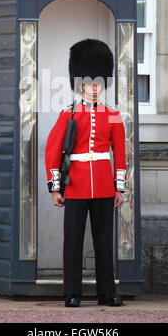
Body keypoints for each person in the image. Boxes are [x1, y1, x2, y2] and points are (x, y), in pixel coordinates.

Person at [44, 39, 127, 307]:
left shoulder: (112, 115)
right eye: (90, 83)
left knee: (104, 242)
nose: (94, 87)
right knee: (73, 243)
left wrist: (119, 187)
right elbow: (52, 152)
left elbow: (120, 153)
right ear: (79, 84)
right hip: (77, 185)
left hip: (104, 185)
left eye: (98, 83)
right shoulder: (68, 114)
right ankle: (72, 293)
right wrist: (56, 188)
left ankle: (106, 292)